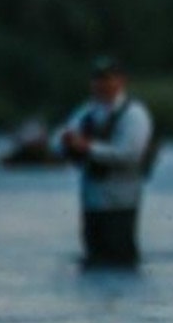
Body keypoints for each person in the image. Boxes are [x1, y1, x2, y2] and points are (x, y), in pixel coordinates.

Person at [52, 56, 155, 267]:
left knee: (120, 264)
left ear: (121, 81)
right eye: (97, 79)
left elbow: (129, 153)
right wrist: (65, 142)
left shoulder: (134, 114)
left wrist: (87, 147)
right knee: (93, 262)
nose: (102, 84)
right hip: (92, 203)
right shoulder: (87, 111)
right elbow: (60, 138)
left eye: (108, 79)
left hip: (120, 205)